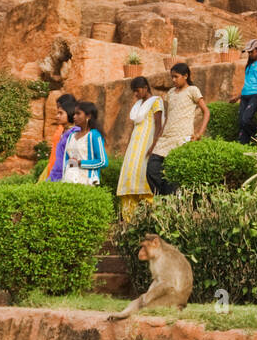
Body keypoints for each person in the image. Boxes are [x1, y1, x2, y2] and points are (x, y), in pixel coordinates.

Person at [116, 77, 163, 221]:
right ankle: (129, 220)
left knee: (144, 174)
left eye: (137, 91)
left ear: (145, 88)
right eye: (134, 91)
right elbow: (134, 127)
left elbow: (159, 125)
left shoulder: (156, 101)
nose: (135, 94)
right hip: (135, 145)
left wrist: (154, 145)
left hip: (147, 143)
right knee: (130, 175)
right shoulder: (138, 105)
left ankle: (152, 218)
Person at [159, 63, 209, 187]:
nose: (173, 80)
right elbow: (168, 116)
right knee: (152, 169)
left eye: (176, 76)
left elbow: (206, 112)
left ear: (185, 76)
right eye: (172, 77)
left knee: (174, 173)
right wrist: (160, 134)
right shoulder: (170, 92)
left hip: (182, 138)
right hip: (166, 138)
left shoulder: (192, 90)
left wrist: (199, 134)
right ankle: (163, 195)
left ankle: (172, 197)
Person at [232, 40, 257, 143]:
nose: (249, 54)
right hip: (244, 95)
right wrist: (237, 97)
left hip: (256, 94)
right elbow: (247, 83)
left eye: (251, 52)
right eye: (248, 52)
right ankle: (242, 144)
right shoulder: (249, 65)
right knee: (242, 122)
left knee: (246, 119)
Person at [62, 102, 107, 186]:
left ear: (88, 116)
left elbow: (103, 162)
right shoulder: (71, 136)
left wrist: (80, 163)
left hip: (86, 181)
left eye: (78, 113)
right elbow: (66, 160)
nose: (74, 116)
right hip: (68, 180)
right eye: (74, 114)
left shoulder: (94, 135)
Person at [38, 94, 79, 183]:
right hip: (55, 174)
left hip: (65, 178)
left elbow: (74, 158)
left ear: (70, 113)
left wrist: (70, 178)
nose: (57, 116)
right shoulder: (65, 132)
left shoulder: (74, 133)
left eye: (60, 113)